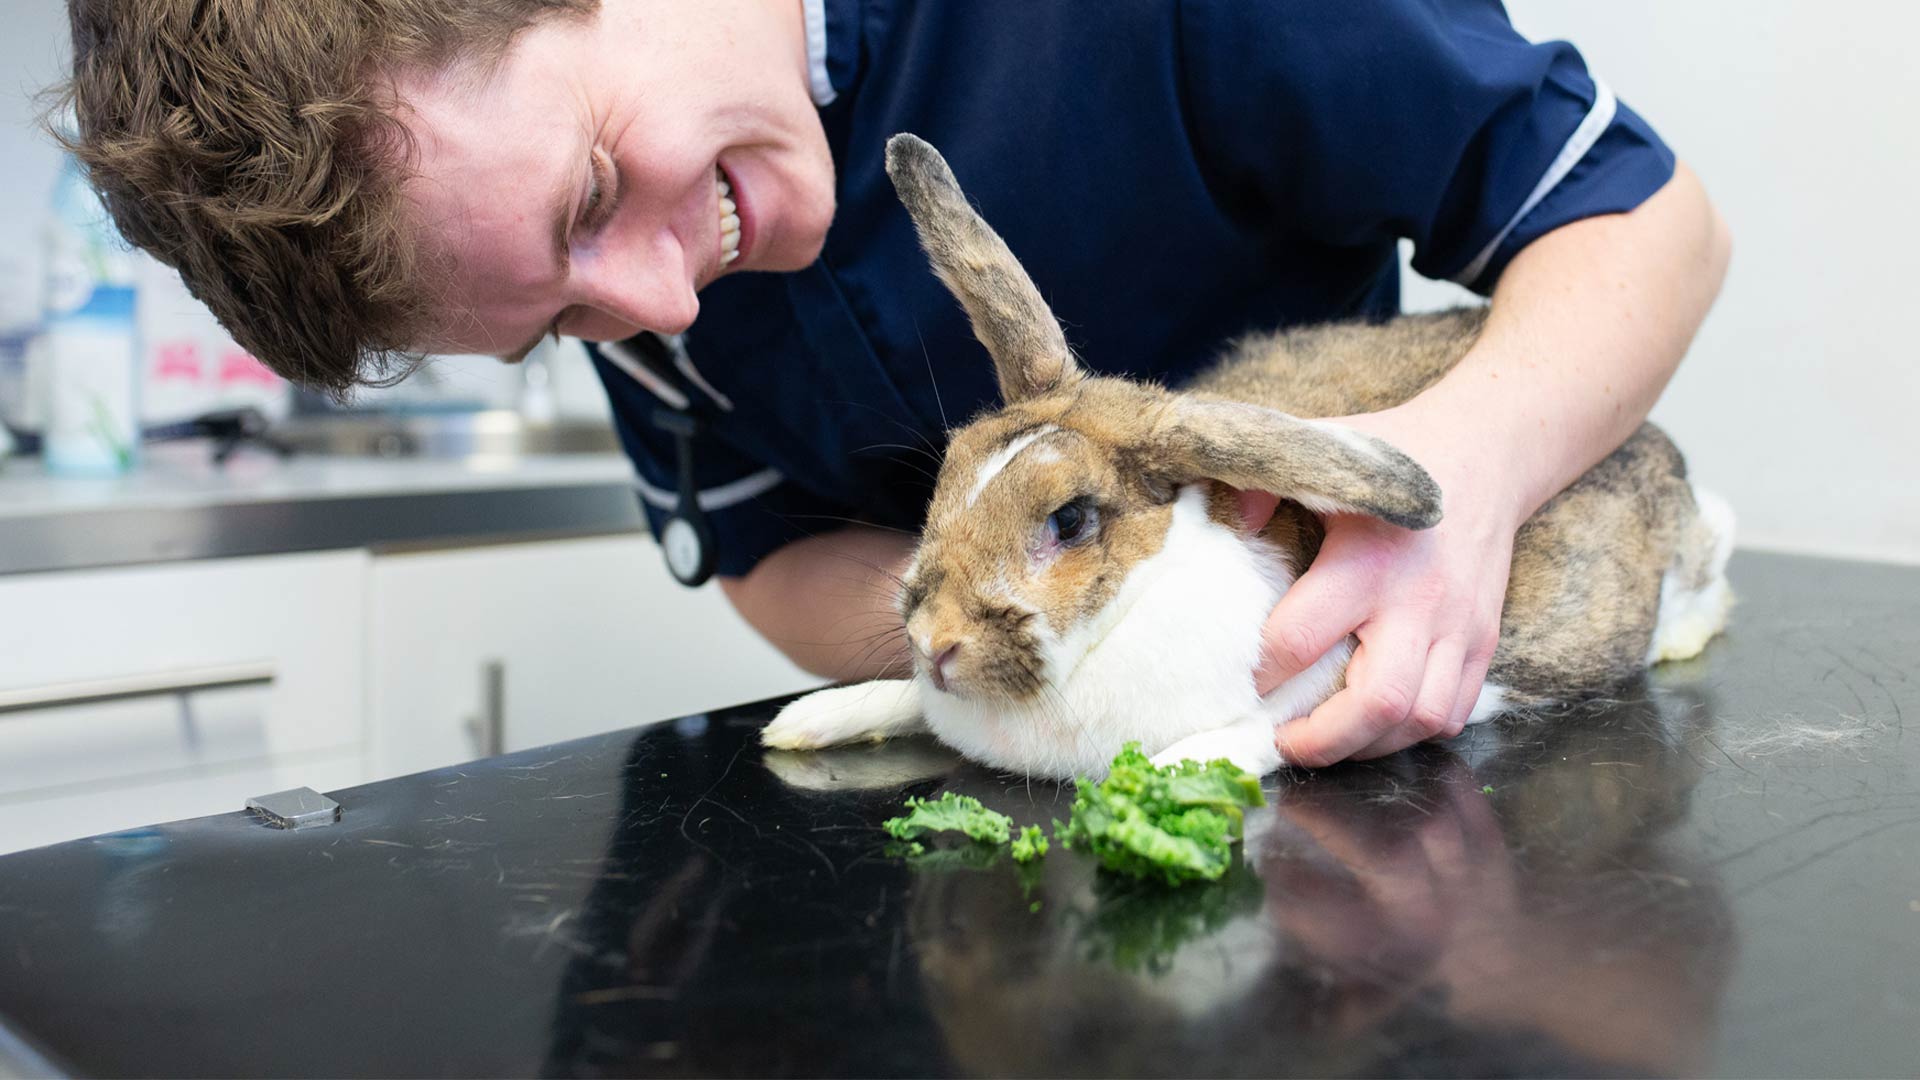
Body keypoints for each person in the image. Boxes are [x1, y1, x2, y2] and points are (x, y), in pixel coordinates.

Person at [58, 0, 1731, 767]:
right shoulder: (629, 276)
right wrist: (1014, 667)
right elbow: (769, 547)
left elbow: (1642, 219)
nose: (655, 299)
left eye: (590, 193)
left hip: (1371, 771)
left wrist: (1465, 481)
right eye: (557, 323)